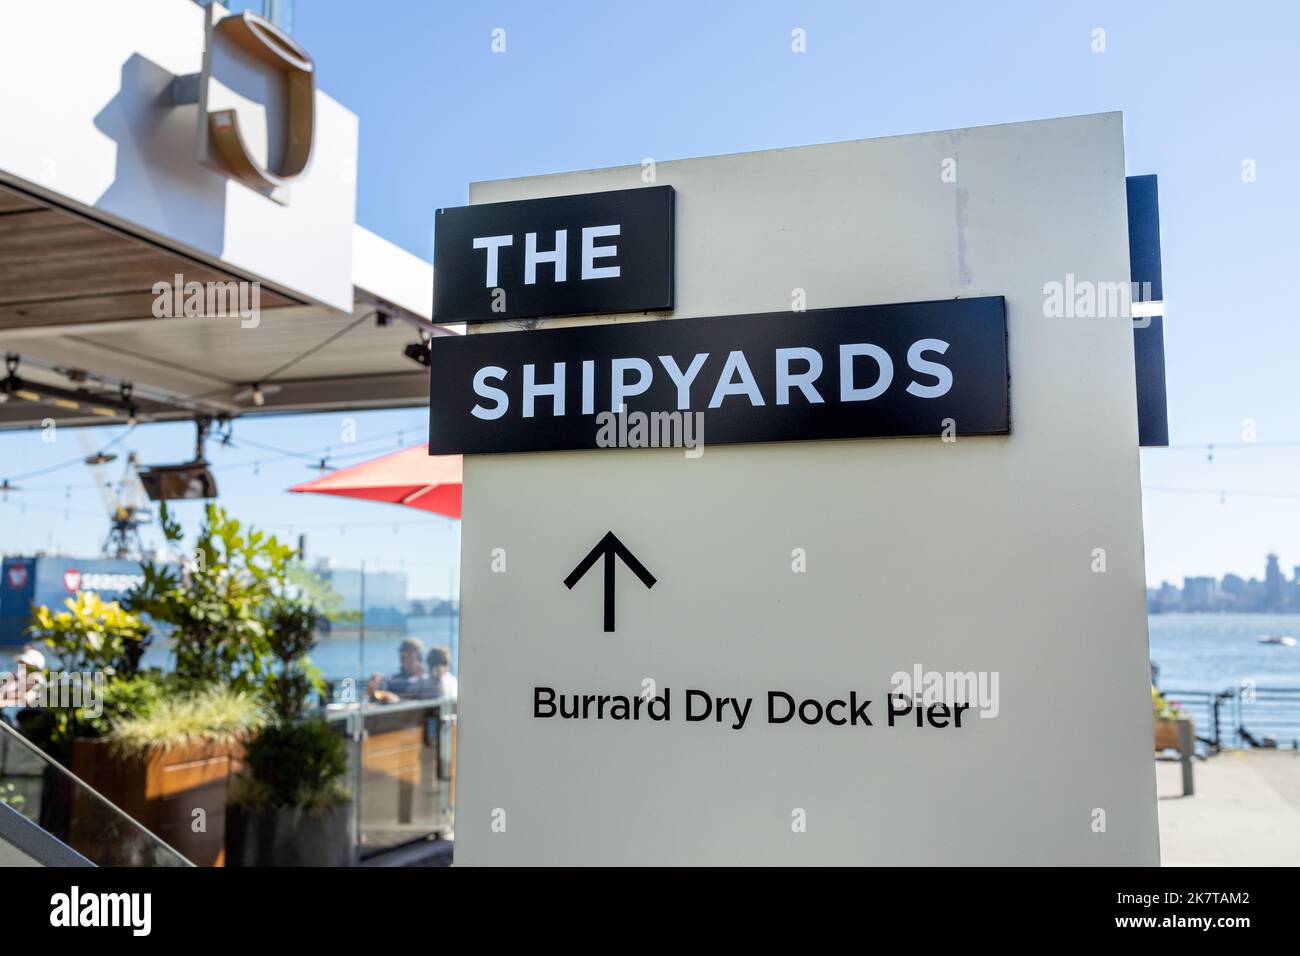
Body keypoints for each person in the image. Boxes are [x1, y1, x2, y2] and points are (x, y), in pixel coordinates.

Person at [367, 638, 426, 703]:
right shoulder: (390, 679)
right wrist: (372, 691)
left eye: (408, 651)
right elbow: (375, 699)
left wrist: (398, 702)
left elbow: (425, 704)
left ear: (419, 655)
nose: (403, 655)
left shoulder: (427, 681)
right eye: (402, 651)